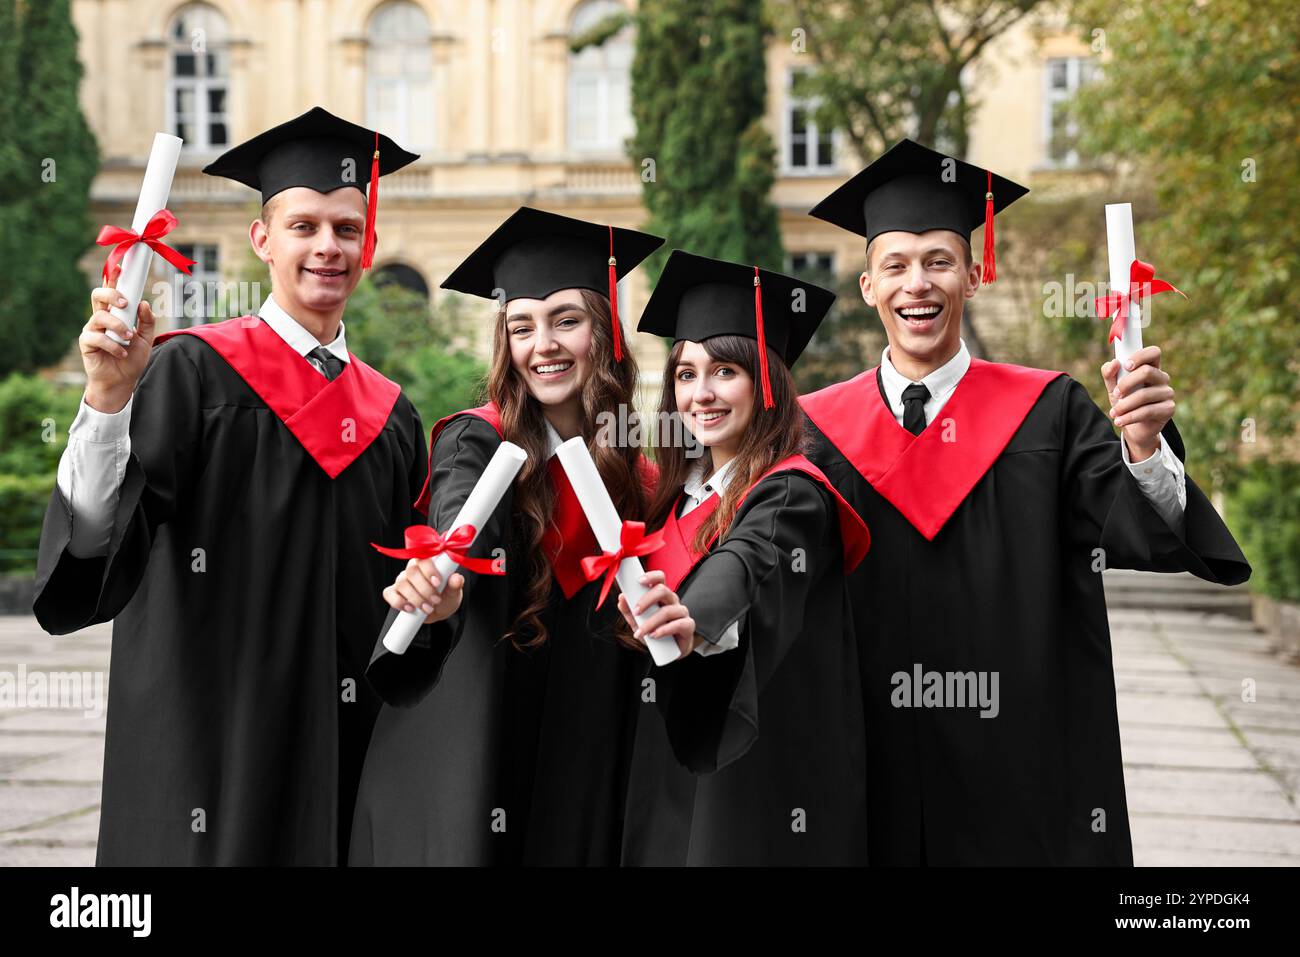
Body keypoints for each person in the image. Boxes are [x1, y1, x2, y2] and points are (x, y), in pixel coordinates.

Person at [799, 138, 1252, 865]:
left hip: (1012, 768)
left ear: (974, 276)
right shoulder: (814, 427)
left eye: (940, 261)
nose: (919, 283)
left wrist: (1143, 444)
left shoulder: (1049, 411)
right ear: (868, 288)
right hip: (864, 760)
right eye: (897, 265)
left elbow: (1144, 530)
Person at [31, 107, 425, 865]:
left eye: (346, 228)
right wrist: (109, 400)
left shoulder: (393, 416)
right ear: (263, 240)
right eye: (304, 226)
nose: (327, 246)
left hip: (347, 754)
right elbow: (99, 542)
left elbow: (410, 594)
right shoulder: (191, 370)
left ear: (367, 245)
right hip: (209, 745)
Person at [350, 207, 663, 865]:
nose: (543, 344)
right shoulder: (477, 437)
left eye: (566, 321)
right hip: (476, 739)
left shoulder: (638, 473)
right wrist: (445, 587)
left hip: (581, 756)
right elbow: (460, 520)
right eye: (522, 327)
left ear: (603, 333)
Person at [617, 251, 872, 865]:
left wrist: (693, 618)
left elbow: (752, 558)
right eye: (685, 374)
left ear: (767, 384)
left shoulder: (791, 491)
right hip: (664, 774)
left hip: (756, 782)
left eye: (725, 371)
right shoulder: (667, 500)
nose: (700, 394)